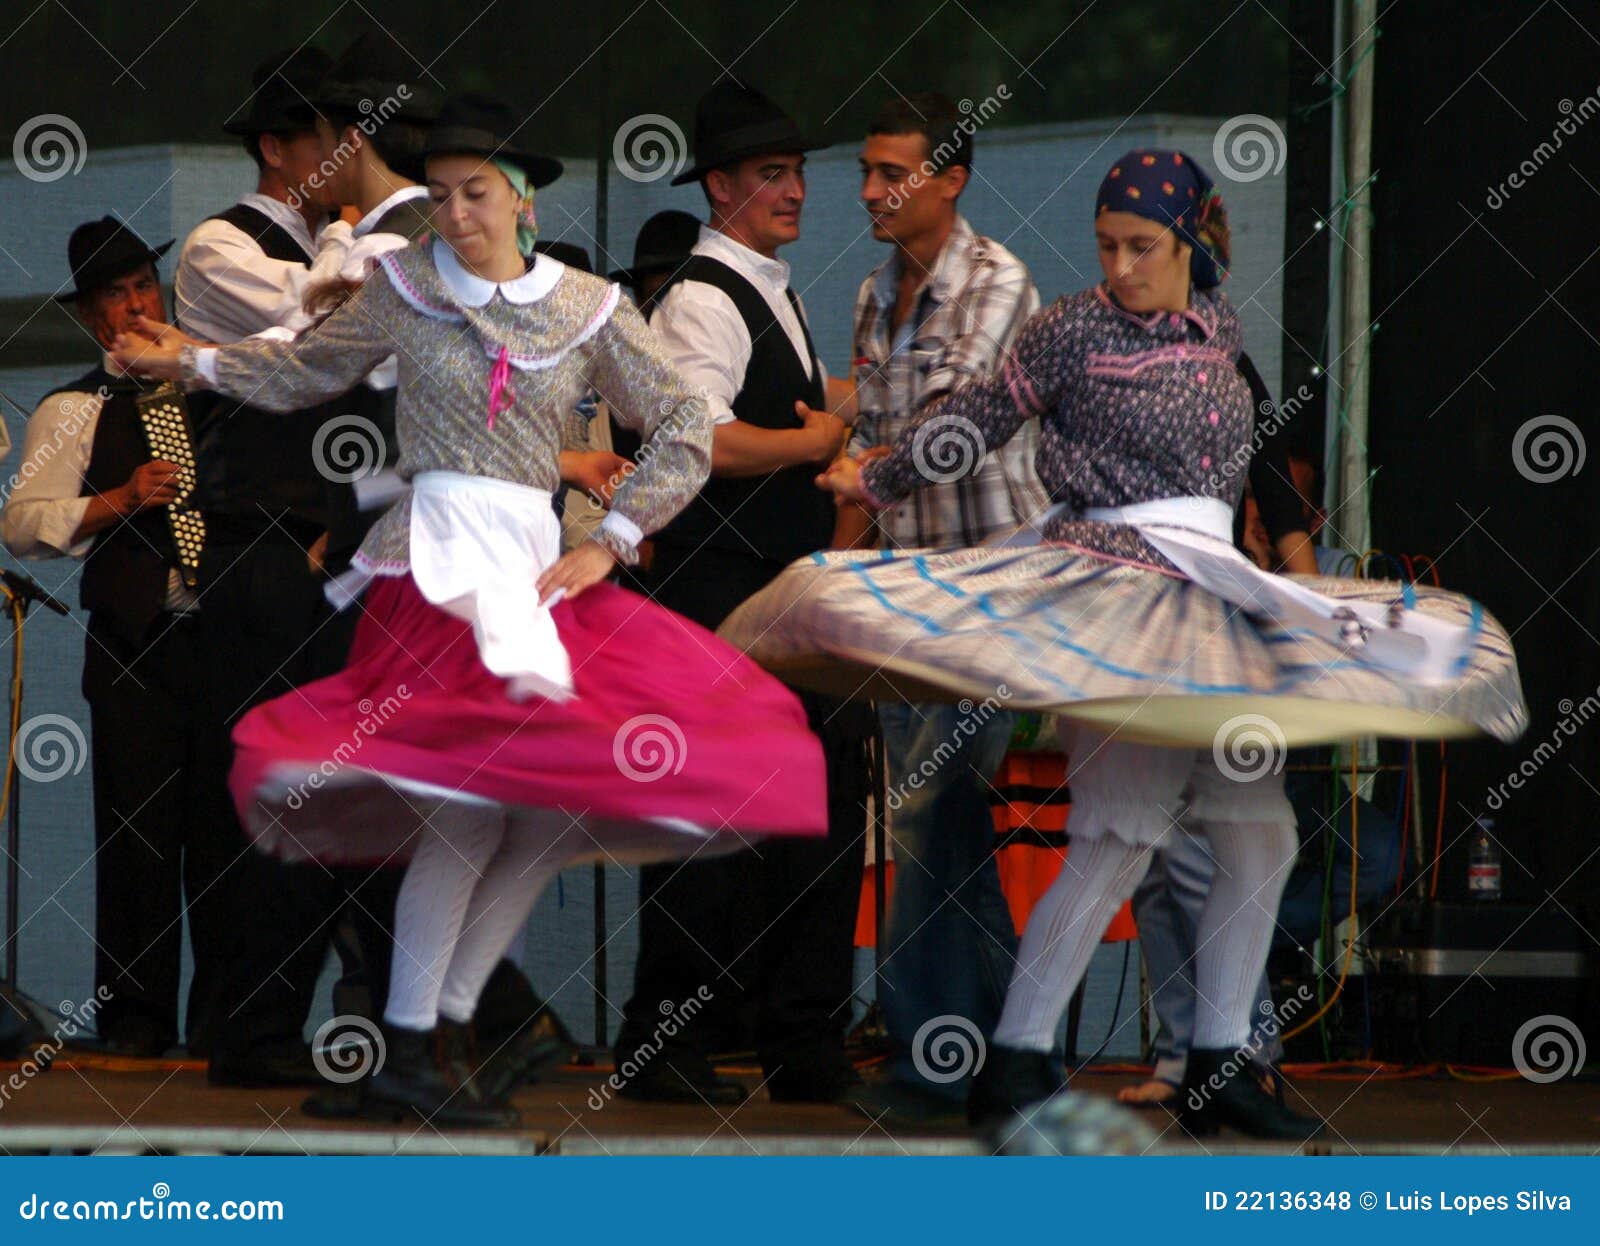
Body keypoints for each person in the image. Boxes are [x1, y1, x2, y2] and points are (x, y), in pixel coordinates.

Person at [717, 148, 1526, 1139]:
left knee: (1259, 830)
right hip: (1114, 590)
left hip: (1209, 593)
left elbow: (1252, 459)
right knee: (1116, 836)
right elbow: (978, 419)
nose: (1121, 266)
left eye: (1141, 246)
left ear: (1188, 241)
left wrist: (1294, 562)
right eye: (1107, 245)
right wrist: (876, 479)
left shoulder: (1218, 329)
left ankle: (1218, 1060)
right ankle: (1016, 1066)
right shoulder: (1067, 329)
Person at [113, 91, 827, 1129]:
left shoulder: (587, 304)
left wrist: (610, 541)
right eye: (440, 193)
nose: (454, 213)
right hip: (433, 570)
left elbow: (682, 425)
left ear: (521, 195)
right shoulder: (402, 284)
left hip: (536, 576)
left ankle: (434, 1032)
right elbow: (304, 367)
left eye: (476, 192)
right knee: (464, 808)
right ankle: (414, 1042)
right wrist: (185, 359)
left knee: (538, 815)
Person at [613, 78, 871, 1106]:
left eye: (799, 171)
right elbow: (699, 440)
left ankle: (796, 1036)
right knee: (710, 818)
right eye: (771, 174)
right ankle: (667, 1035)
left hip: (777, 590)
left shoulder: (763, 285)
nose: (795, 189)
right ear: (718, 186)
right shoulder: (703, 297)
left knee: (811, 807)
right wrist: (813, 440)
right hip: (720, 594)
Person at [834, 93, 1046, 1127]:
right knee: (943, 821)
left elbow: (947, 427)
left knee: (929, 813)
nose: (870, 191)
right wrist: (832, 578)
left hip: (990, 591)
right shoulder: (876, 297)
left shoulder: (997, 281)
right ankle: (1011, 1051)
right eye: (868, 172)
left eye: (892, 174)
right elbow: (877, 452)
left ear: (950, 180)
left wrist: (853, 473)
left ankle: (928, 1064)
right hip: (905, 595)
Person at [1, 217, 232, 1057]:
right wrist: (119, 500)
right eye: (116, 295)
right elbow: (21, 526)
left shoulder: (220, 382)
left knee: (227, 841)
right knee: (135, 843)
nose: (136, 305)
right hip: (137, 646)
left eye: (144, 286)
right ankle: (135, 1031)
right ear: (93, 319)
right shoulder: (73, 407)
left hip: (229, 640)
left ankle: (224, 1029)